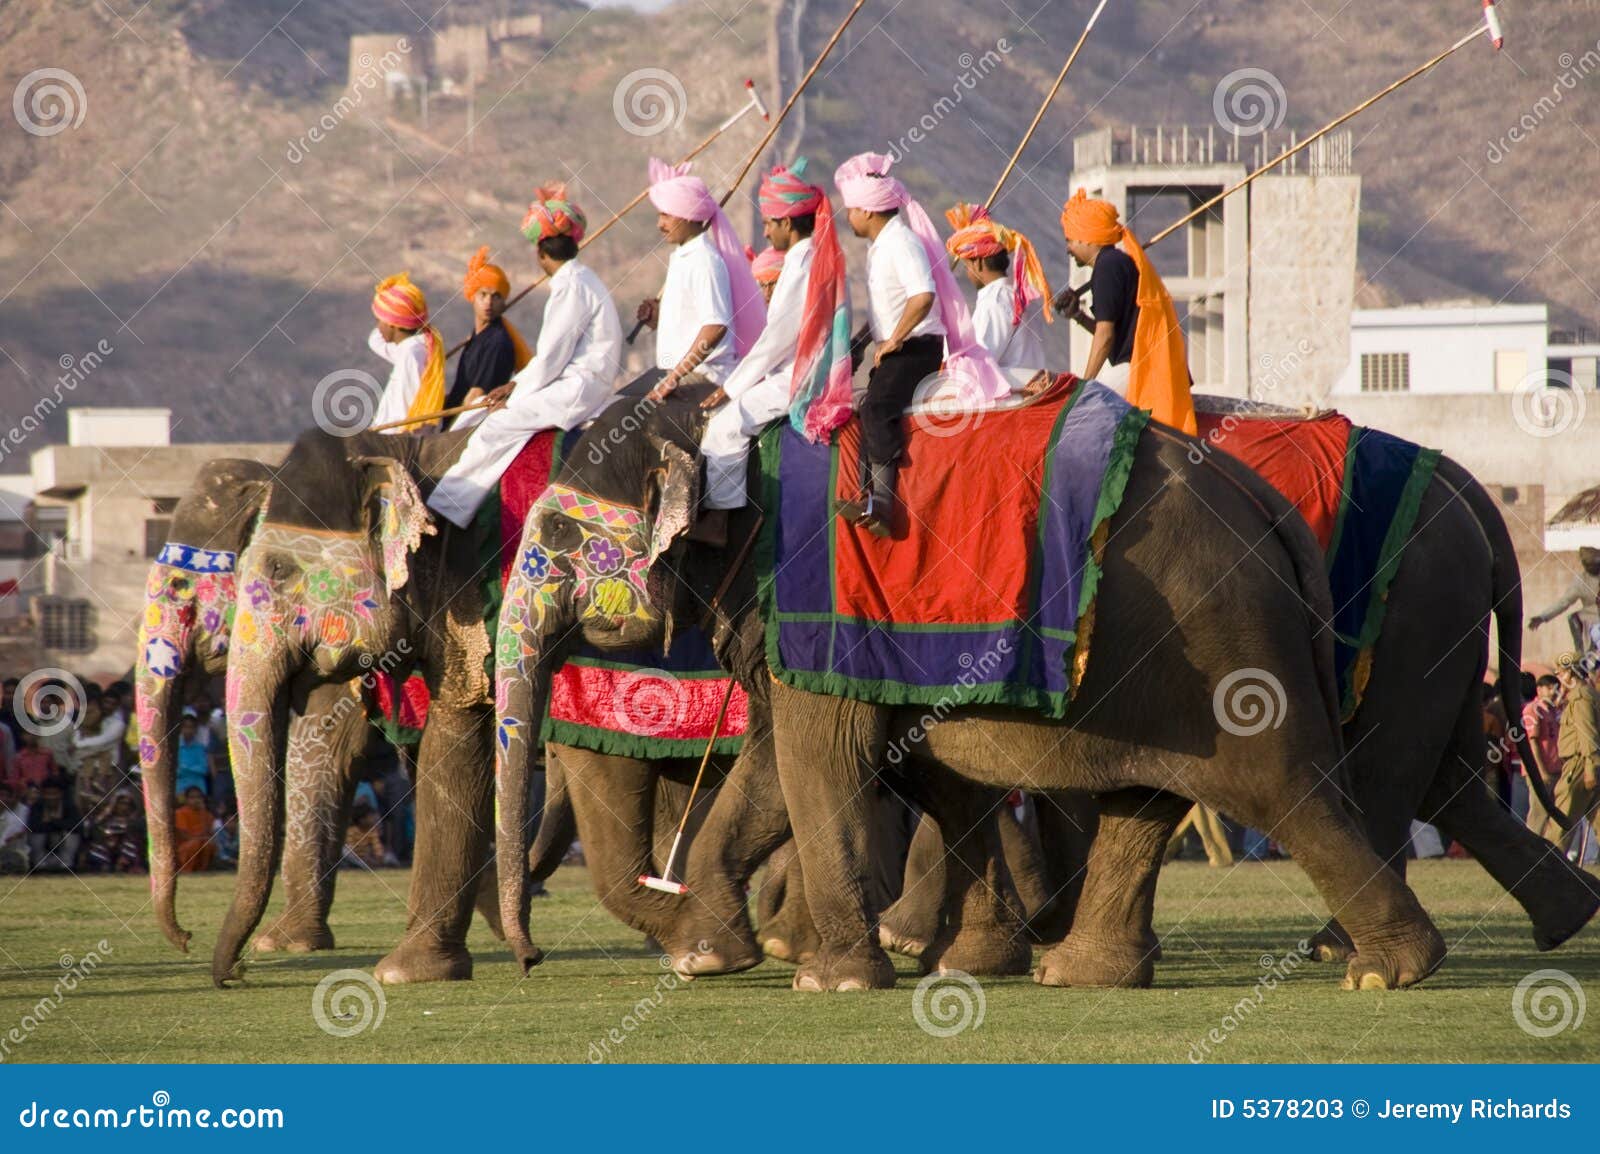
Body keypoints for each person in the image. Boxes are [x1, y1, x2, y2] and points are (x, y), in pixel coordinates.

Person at [426, 186, 623, 529]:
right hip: (577, 381)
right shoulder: (581, 278)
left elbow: (550, 360)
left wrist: (515, 392)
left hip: (577, 386)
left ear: (540, 253)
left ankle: (443, 512)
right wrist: (513, 386)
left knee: (497, 424)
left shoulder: (571, 286)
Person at [832, 151, 1006, 537]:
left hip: (915, 347)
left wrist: (893, 338)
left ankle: (882, 504)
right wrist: (862, 341)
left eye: (851, 209)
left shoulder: (901, 243)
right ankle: (864, 493)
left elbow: (922, 296)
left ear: (869, 211)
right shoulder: (881, 247)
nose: (848, 217)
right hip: (896, 347)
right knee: (865, 405)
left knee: (878, 408)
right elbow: (889, 309)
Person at [698, 160, 838, 538]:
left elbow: (778, 336)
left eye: (768, 224)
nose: (765, 232)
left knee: (725, 424)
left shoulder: (802, 263)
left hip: (797, 375)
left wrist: (731, 388)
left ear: (788, 224)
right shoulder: (813, 256)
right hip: (796, 368)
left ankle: (718, 520)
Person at [1049, 189, 1196, 434]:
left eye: (1070, 240)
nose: (1068, 248)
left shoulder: (1107, 267)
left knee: (1076, 420)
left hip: (1135, 366)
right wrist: (1078, 316)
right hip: (1134, 363)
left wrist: (1084, 386)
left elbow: (1105, 336)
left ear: (1087, 239)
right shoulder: (1115, 263)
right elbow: (1114, 331)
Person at [639, 157, 766, 403]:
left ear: (687, 215)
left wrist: (674, 377)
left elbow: (716, 326)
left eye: (666, 216)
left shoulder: (705, 260)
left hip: (705, 376)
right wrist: (658, 317)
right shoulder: (683, 257)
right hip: (678, 374)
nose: (660, 224)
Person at [944, 202, 1053, 371]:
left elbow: (978, 365)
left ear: (978, 263)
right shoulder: (1021, 298)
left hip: (1011, 394)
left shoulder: (994, 302)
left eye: (967, 266)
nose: (967, 274)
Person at [443, 246, 533, 412]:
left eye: (496, 296)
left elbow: (476, 396)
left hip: (470, 426)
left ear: (503, 302)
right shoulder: (475, 337)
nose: (489, 302)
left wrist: (447, 432)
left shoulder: (497, 342)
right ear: (472, 296)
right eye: (483, 295)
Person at [367, 272, 446, 433]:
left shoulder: (412, 354)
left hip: (394, 442)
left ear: (393, 324)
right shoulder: (410, 347)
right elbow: (375, 341)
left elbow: (405, 408)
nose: (377, 326)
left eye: (379, 321)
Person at [1542, 652, 1600, 860]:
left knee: (1561, 823)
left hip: (1579, 766)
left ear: (1571, 672)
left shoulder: (1580, 697)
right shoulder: (1587, 693)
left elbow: (1588, 734)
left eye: (1561, 671)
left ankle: (1550, 871)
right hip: (1586, 764)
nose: (1558, 676)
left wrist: (1591, 768)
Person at [1529, 547, 1600, 654]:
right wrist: (1543, 617)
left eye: (1595, 564)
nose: (1592, 567)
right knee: (1573, 618)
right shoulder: (1581, 581)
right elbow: (1564, 602)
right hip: (1591, 616)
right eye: (1588, 565)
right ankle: (1580, 654)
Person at [1523, 672, 1564, 834]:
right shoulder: (1533, 710)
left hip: (1555, 770)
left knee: (1553, 815)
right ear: (1539, 690)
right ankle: (1529, 851)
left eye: (1556, 688)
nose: (1554, 692)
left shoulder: (1553, 710)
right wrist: (1542, 771)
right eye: (1549, 688)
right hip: (1541, 771)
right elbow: (1532, 743)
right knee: (1538, 814)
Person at [176, 785, 216, 872]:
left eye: (199, 797)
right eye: (192, 797)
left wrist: (203, 813)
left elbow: (210, 833)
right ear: (186, 800)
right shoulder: (181, 813)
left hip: (201, 842)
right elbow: (184, 836)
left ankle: (202, 870)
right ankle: (186, 870)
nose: (196, 800)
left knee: (208, 844)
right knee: (195, 844)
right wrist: (200, 839)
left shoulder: (207, 814)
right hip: (184, 846)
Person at [174, 711, 212, 800]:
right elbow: (176, 771)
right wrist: (192, 769)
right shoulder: (175, 748)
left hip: (198, 788)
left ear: (196, 729)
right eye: (185, 727)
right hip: (180, 788)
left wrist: (185, 768)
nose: (188, 730)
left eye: (191, 727)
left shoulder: (200, 748)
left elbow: (203, 770)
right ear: (181, 728)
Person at [0, 783, 28, 873]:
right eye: (1, 795)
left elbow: (3, 843)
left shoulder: (14, 820)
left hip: (8, 856)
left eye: (7, 796)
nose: (3, 799)